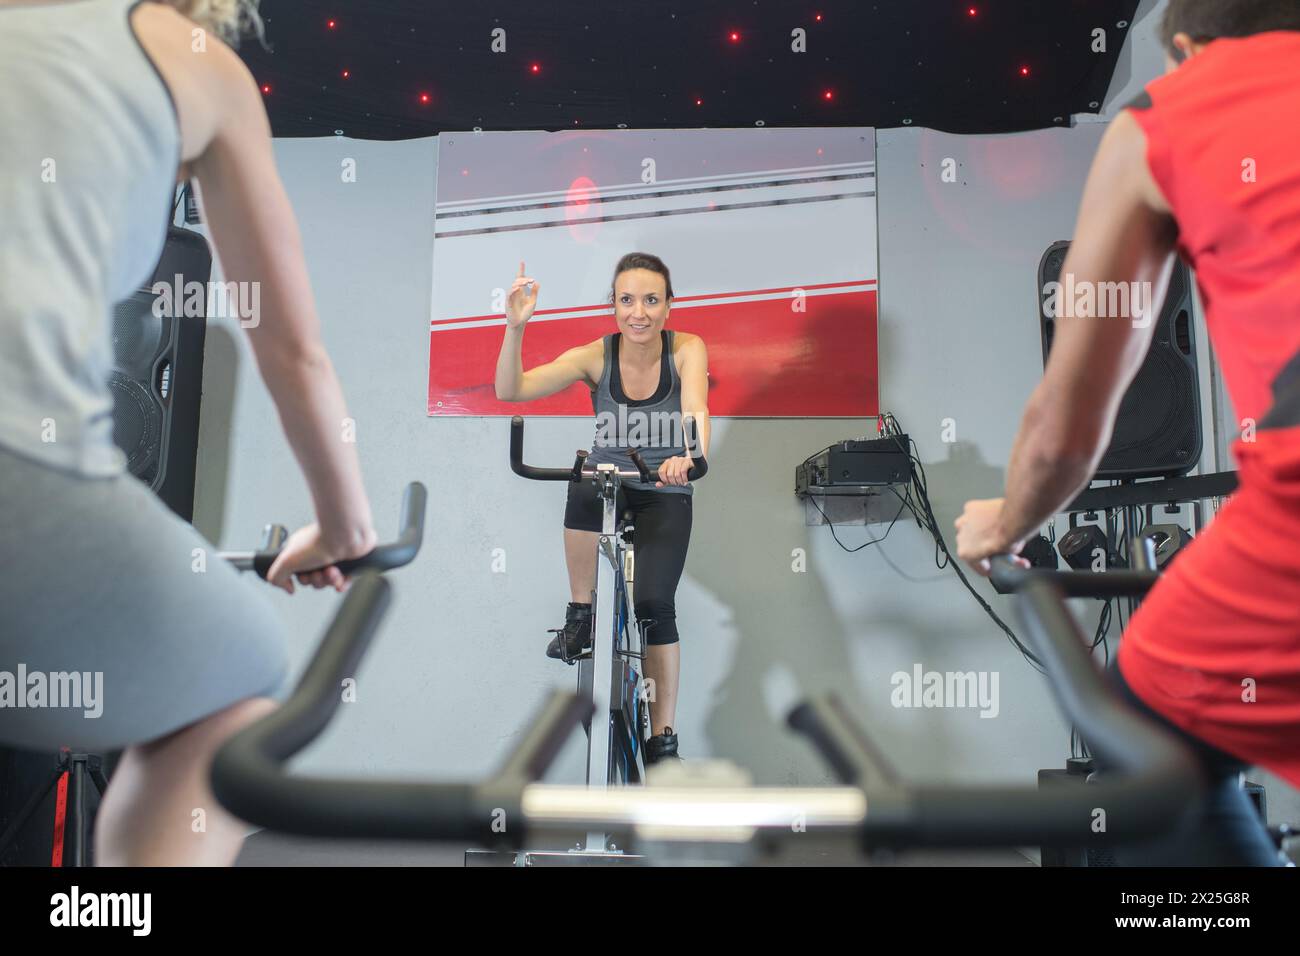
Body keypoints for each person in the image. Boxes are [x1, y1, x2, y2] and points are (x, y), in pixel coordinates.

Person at [0, 0, 377, 864]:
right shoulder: (192, 56)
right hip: (23, 475)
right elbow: (290, 349)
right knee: (235, 678)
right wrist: (347, 526)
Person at [956, 0, 1300, 865]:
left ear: (1185, 47)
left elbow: (1067, 430)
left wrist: (1005, 524)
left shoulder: (1161, 120)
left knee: (1146, 716)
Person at [494, 253, 710, 763]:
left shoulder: (687, 350)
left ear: (668, 306)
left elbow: (697, 408)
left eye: (652, 300)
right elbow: (512, 389)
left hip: (664, 488)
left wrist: (689, 454)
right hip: (609, 483)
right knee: (585, 479)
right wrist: (514, 327)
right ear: (613, 305)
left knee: (655, 607)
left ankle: (663, 740)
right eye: (628, 300)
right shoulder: (596, 356)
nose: (640, 312)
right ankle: (581, 612)